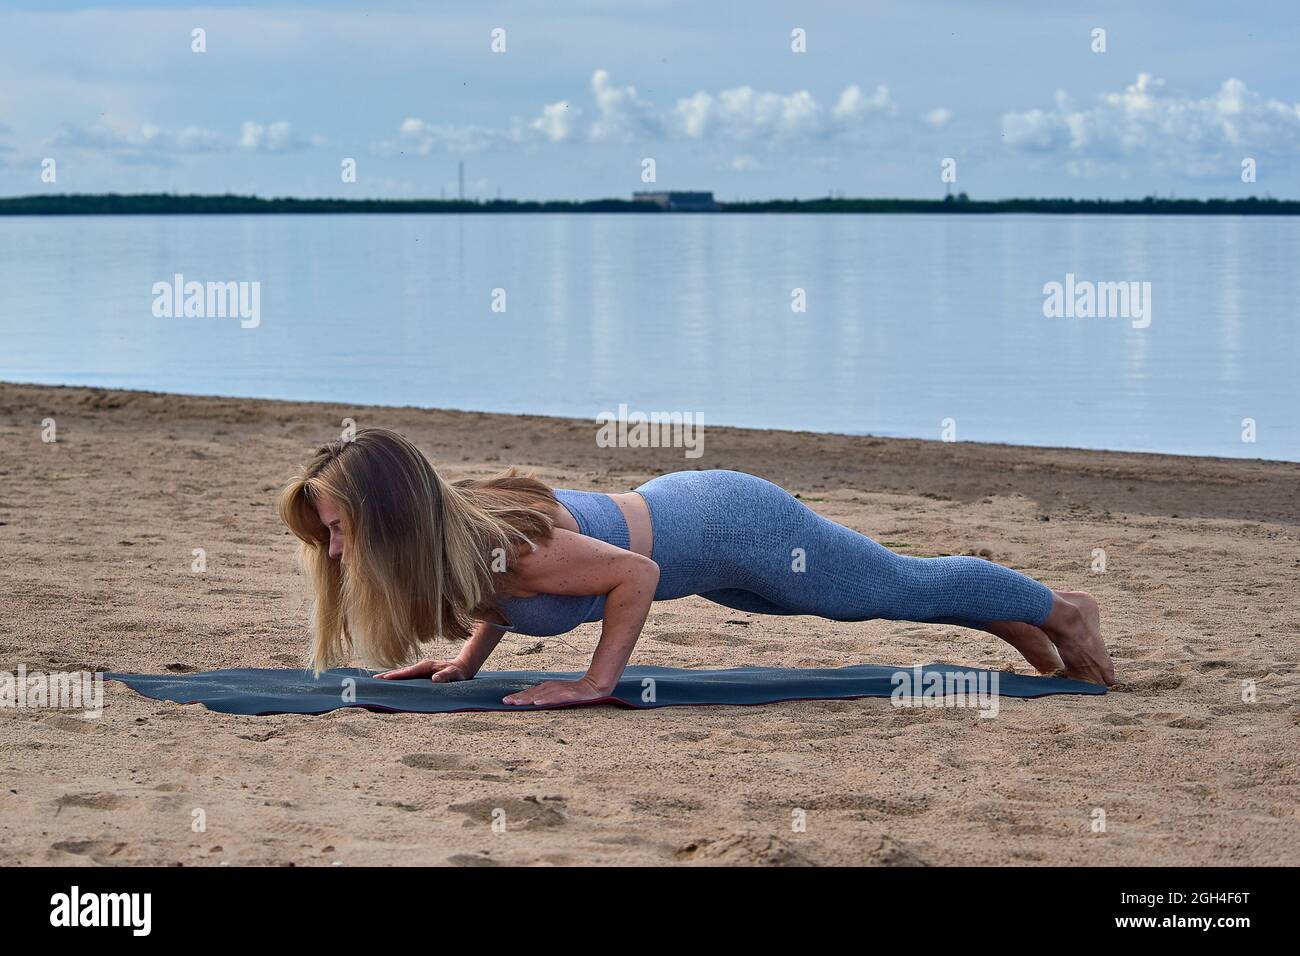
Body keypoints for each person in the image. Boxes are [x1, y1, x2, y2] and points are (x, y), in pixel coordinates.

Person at [278, 428, 1114, 707]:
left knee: (884, 589)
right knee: (855, 599)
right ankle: (1012, 618)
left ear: (394, 518)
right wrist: (466, 660)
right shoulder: (459, 543)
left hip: (728, 523)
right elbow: (490, 594)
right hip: (697, 543)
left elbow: (630, 579)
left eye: (343, 530)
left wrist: (594, 683)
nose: (339, 552)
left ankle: (1062, 609)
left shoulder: (515, 547)